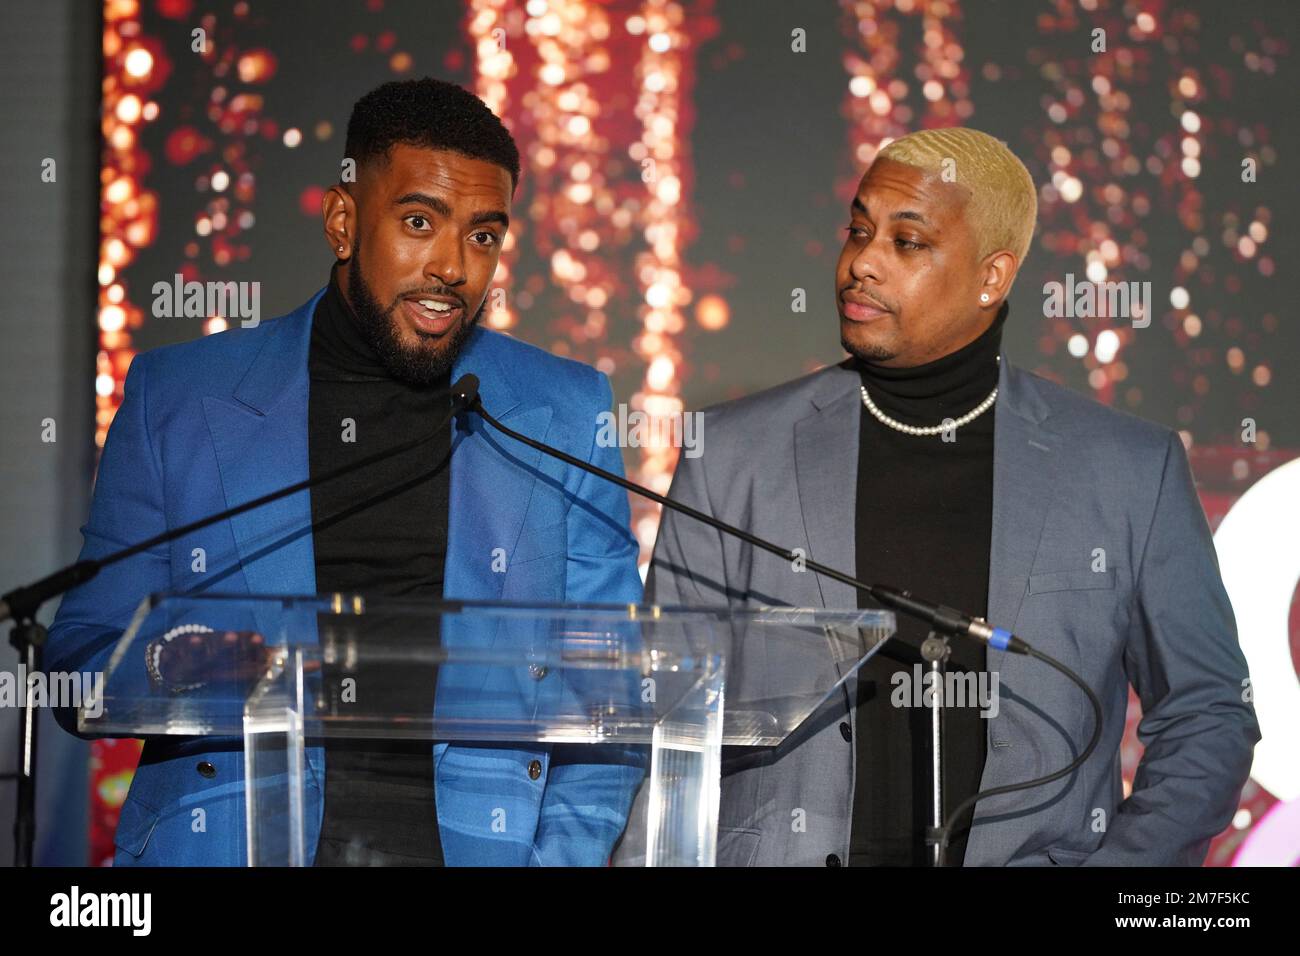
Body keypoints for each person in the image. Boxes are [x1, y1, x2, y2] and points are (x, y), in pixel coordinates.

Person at [617, 127, 1259, 867]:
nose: (860, 264)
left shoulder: (1128, 468)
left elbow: (1209, 716)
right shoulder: (732, 453)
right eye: (858, 231)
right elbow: (660, 716)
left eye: (907, 242)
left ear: (992, 277)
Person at [46, 77, 644, 867]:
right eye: (420, 222)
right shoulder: (180, 397)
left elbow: (612, 692)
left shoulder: (564, 410)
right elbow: (77, 659)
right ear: (342, 220)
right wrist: (171, 660)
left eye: (483, 235)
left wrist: (553, 864)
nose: (453, 268)